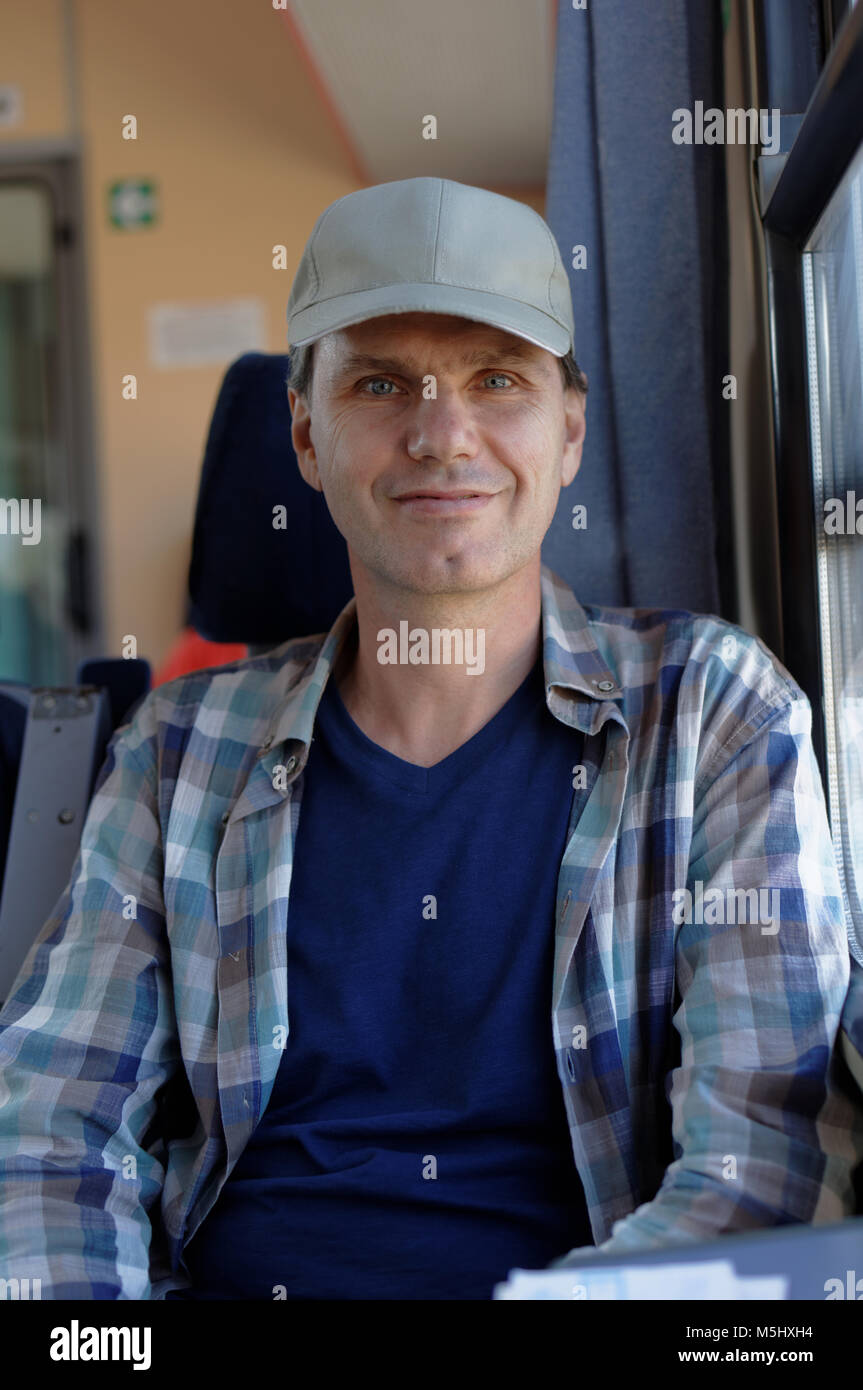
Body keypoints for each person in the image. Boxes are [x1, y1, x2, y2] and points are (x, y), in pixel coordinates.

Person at [0, 177, 860, 1301]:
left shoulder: (715, 719)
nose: (439, 433)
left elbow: (759, 1169)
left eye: (494, 379)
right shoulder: (177, 752)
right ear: (307, 436)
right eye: (379, 382)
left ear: (565, 432)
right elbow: (50, 1138)